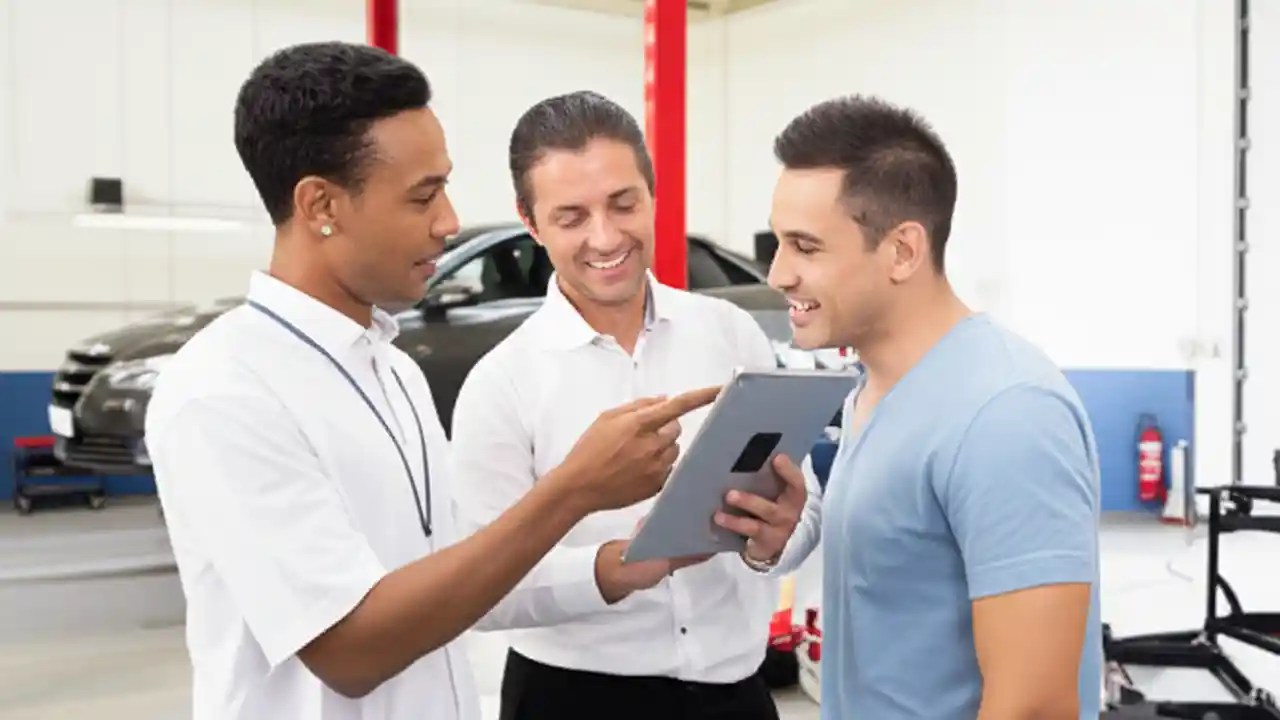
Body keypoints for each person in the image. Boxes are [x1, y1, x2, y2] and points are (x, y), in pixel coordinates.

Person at [143, 43, 720, 720]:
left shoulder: (392, 368)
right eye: (424, 196)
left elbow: (457, 575)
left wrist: (617, 564)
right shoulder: (225, 390)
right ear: (321, 204)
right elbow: (351, 651)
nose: (448, 221)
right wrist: (575, 490)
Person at [734, 94, 1104, 719]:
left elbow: (1035, 707)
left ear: (903, 250)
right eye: (778, 243)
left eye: (805, 246)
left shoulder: (1006, 415)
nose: (778, 274)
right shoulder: (870, 392)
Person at [447, 90, 809, 720]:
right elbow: (481, 593)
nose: (605, 237)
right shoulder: (501, 382)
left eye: (623, 204)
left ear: (652, 193)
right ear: (529, 222)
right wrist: (617, 569)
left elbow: (800, 509)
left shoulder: (730, 334)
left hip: (737, 694)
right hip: (573, 700)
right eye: (571, 217)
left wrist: (776, 540)